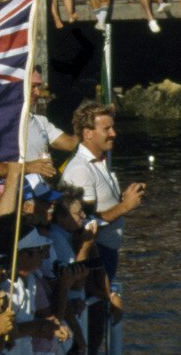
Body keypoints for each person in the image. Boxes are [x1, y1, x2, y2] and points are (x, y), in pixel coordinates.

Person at [60, 101, 143, 281]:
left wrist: (124, 198)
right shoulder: (81, 169)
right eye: (107, 129)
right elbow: (86, 221)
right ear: (88, 133)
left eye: (113, 127)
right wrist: (125, 206)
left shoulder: (99, 161)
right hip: (95, 252)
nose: (114, 134)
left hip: (107, 251)